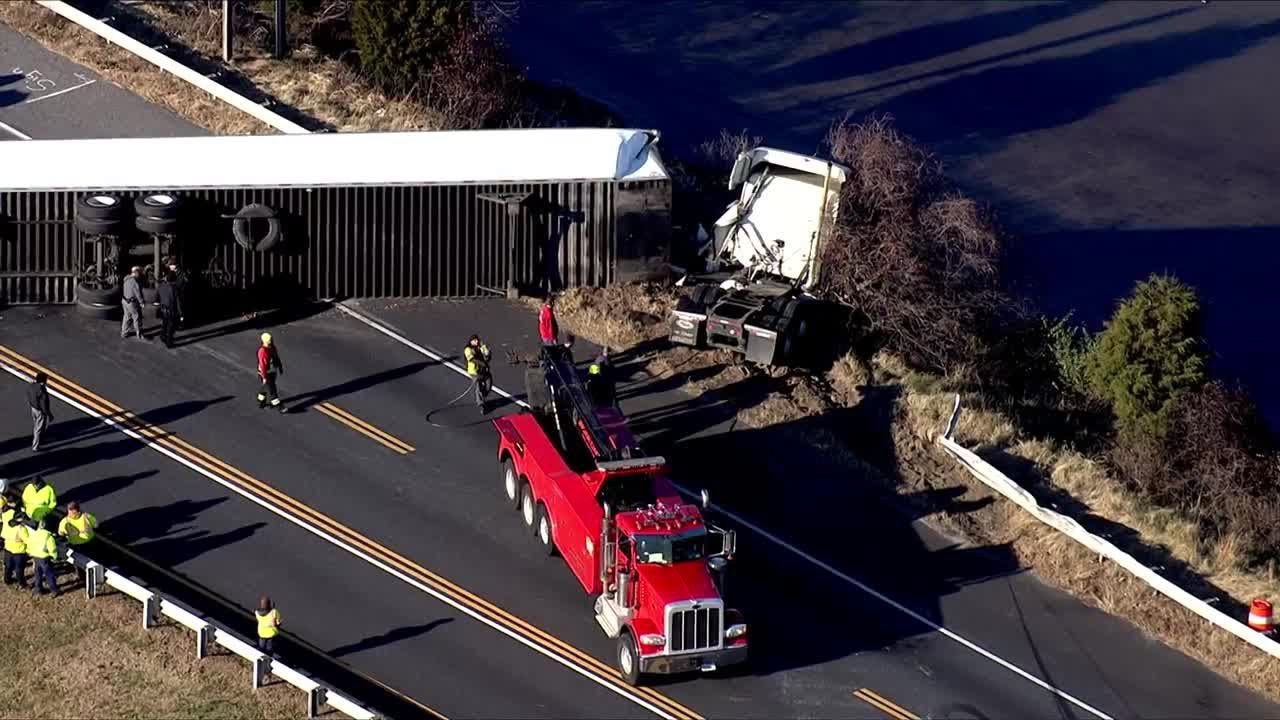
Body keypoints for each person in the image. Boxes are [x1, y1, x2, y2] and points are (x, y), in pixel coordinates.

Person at [58, 501, 98, 586]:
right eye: (69, 511)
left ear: (76, 511)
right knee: (86, 562)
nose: (69, 514)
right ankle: (87, 577)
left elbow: (60, 533)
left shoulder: (66, 521)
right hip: (83, 543)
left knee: (83, 562)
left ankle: (85, 578)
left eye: (71, 512)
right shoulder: (85, 516)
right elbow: (96, 525)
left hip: (82, 544)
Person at [26, 518, 58, 597]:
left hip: (36, 557)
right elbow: (52, 549)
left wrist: (30, 552)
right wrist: (54, 557)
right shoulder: (48, 537)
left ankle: (38, 589)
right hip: (45, 558)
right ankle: (54, 590)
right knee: (49, 575)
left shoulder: (35, 534)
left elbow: (29, 544)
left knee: (38, 575)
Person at [1, 498, 28, 588]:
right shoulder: (21, 529)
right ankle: (22, 583)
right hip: (19, 551)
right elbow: (27, 540)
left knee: (8, 567)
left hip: (8, 548)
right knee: (19, 569)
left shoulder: (7, 522)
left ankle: (7, 580)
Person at [256, 333, 286, 412]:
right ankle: (279, 406)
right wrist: (264, 377)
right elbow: (263, 365)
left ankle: (261, 401)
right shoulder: (262, 351)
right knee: (272, 389)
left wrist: (280, 367)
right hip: (265, 373)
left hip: (272, 372)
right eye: (269, 341)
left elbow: (276, 357)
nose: (271, 342)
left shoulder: (272, 347)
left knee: (265, 388)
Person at [464, 335, 493, 414]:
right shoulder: (468, 349)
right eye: (475, 340)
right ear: (471, 341)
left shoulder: (480, 347)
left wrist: (486, 349)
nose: (477, 341)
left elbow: (487, 355)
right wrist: (482, 363)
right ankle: (481, 404)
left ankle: (483, 395)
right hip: (474, 372)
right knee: (478, 386)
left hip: (484, 371)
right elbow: (471, 359)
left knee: (488, 384)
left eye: (477, 340)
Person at [156, 270, 184, 348]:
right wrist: (181, 314)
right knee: (171, 327)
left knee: (164, 323)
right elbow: (178, 302)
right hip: (171, 310)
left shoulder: (161, 285)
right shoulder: (174, 289)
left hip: (163, 308)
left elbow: (158, 296)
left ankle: (162, 336)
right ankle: (169, 343)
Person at [27, 371, 53, 452]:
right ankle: (35, 446)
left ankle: (41, 439)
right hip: (40, 411)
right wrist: (49, 414)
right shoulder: (42, 390)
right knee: (38, 428)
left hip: (33, 408)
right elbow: (44, 405)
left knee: (37, 425)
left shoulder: (31, 386)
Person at [121, 265, 146, 340]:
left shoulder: (126, 278)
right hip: (131, 303)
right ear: (136, 273)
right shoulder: (134, 282)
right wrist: (141, 302)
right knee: (136, 317)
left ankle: (124, 333)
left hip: (124, 301)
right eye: (139, 273)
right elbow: (137, 293)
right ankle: (139, 334)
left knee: (126, 317)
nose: (140, 275)